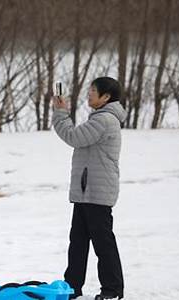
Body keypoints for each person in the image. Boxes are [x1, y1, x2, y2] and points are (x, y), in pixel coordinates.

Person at [52, 77, 126, 300]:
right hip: (88, 192)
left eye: (94, 90)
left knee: (103, 244)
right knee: (78, 242)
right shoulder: (100, 118)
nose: (89, 94)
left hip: (97, 193)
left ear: (106, 97)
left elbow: (73, 137)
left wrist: (61, 113)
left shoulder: (104, 120)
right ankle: (72, 286)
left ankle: (112, 290)